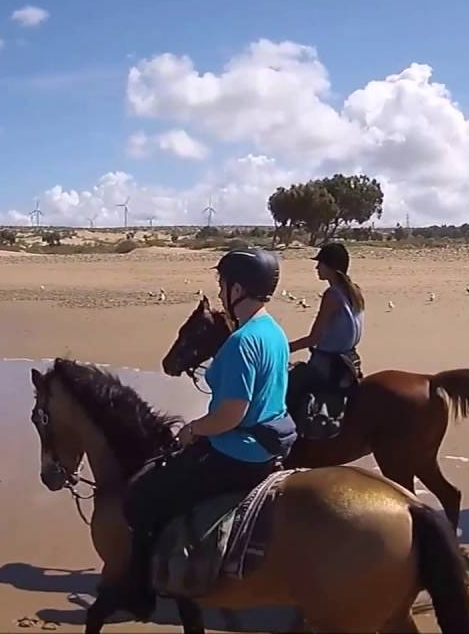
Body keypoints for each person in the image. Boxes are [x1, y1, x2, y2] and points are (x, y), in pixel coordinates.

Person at [119, 247, 295, 620]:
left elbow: (232, 414)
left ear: (238, 289)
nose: (219, 293)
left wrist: (194, 429)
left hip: (237, 453)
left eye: (222, 284)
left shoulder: (241, 342)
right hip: (268, 447)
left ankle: (144, 587)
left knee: (143, 499)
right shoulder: (273, 331)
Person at [286, 242, 365, 430]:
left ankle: (285, 439)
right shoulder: (355, 291)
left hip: (327, 364)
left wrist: (283, 348)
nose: (316, 268)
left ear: (330, 267)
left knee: (286, 387)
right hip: (349, 360)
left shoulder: (332, 295)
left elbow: (313, 339)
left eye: (320, 264)